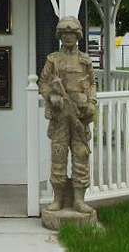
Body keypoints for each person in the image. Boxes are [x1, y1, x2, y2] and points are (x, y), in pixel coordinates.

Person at [38, 16, 97, 213]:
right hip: (60, 114)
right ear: (60, 36)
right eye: (65, 34)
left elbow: (92, 84)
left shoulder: (84, 60)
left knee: (81, 154)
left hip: (79, 114)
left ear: (78, 35)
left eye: (72, 34)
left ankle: (79, 199)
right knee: (59, 154)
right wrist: (51, 96)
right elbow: (43, 83)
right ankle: (58, 199)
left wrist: (91, 103)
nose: (69, 37)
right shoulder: (53, 60)